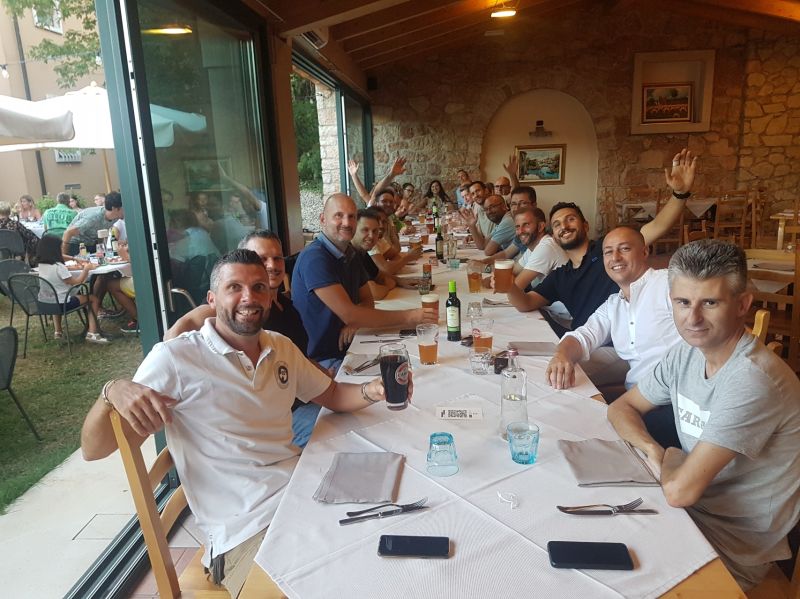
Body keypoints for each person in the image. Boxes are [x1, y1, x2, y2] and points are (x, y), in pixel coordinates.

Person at [80, 249, 403, 597]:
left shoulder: (279, 346)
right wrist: (110, 391)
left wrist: (374, 389)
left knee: (388, 549)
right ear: (212, 299)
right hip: (244, 531)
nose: (249, 297)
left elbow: (334, 394)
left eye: (259, 287)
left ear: (270, 295)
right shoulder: (175, 359)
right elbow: (94, 450)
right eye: (234, 287)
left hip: (302, 496)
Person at [607, 240, 800, 591]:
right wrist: (653, 449)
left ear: (742, 304)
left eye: (710, 303)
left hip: (733, 548)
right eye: (683, 302)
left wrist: (671, 456)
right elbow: (621, 408)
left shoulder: (753, 379)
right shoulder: (685, 354)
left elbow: (679, 491)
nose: (692, 318)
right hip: (685, 517)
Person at [503, 148, 697, 337]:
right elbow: (526, 303)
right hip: (584, 341)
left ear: (585, 225)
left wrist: (679, 194)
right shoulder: (560, 276)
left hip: (617, 342)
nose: (564, 226)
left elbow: (657, 226)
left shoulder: (608, 250)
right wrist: (509, 285)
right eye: (557, 224)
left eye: (570, 219)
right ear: (554, 236)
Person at [292, 193, 436, 368]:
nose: (346, 222)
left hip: (354, 344)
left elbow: (368, 300)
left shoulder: (350, 253)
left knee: (416, 360)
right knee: (412, 369)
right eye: (338, 215)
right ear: (323, 219)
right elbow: (350, 314)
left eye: (351, 217)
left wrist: (355, 322)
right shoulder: (315, 259)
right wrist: (410, 316)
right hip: (324, 360)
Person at [546, 226, 680, 393]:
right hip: (638, 395)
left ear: (645, 252)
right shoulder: (614, 304)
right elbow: (584, 335)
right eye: (608, 252)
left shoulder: (669, 284)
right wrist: (562, 355)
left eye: (624, 249)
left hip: (675, 395)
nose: (615, 257)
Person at [35, 235, 109, 344]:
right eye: (60, 248)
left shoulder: (41, 265)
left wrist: (74, 258)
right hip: (62, 304)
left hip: (45, 302)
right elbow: (77, 282)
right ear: (55, 250)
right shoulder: (59, 267)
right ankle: (92, 333)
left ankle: (58, 332)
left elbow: (61, 257)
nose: (61, 250)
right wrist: (86, 269)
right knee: (93, 299)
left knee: (56, 295)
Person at [61, 191, 124, 256]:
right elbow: (68, 232)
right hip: (75, 244)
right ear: (115, 209)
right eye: (124, 208)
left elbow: (100, 232)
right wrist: (64, 256)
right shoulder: (92, 217)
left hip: (91, 243)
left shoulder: (116, 216)